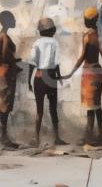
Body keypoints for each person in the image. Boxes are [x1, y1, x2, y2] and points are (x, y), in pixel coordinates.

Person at [63, 7, 102, 145]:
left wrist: (71, 72)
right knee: (97, 105)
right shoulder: (99, 36)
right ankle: (99, 136)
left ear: (89, 20)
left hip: (89, 73)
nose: (84, 21)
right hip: (97, 71)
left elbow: (82, 57)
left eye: (86, 19)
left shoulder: (87, 36)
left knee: (90, 108)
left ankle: (89, 137)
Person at [28, 17, 65, 146]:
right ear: (52, 30)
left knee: (39, 111)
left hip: (38, 77)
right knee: (53, 110)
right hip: (51, 77)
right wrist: (59, 77)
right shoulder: (54, 43)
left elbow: (32, 63)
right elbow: (56, 63)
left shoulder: (37, 43)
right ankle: (57, 138)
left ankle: (37, 139)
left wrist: (29, 81)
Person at [0, 10, 21, 148]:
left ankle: (3, 136)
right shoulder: (5, 38)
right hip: (7, 72)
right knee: (5, 105)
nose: (15, 21)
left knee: (2, 103)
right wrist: (16, 62)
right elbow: (6, 56)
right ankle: (4, 137)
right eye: (12, 18)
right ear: (7, 21)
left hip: (0, 71)